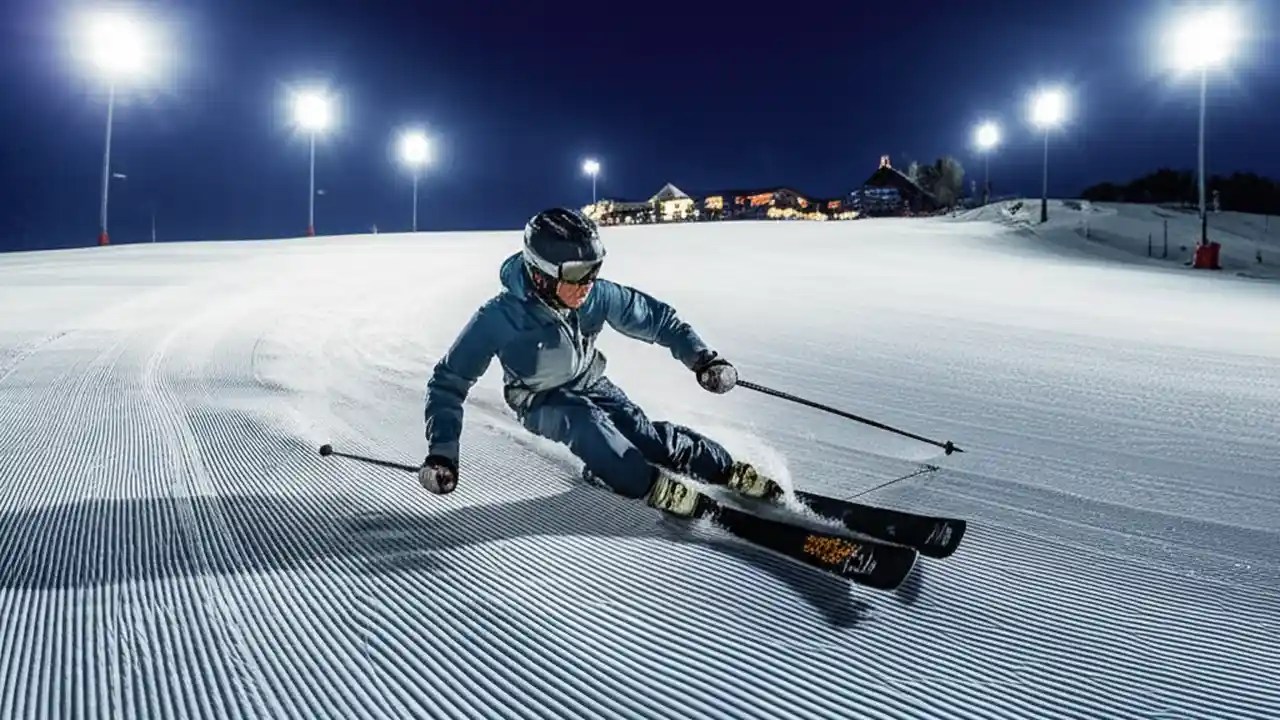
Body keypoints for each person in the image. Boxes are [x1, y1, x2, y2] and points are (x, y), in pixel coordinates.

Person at [419, 207, 780, 517]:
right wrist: (442, 454)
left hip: (592, 381)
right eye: (577, 273)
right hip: (540, 399)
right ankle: (646, 484)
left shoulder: (593, 295)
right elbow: (448, 383)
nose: (588, 283)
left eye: (594, 268)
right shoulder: (498, 318)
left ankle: (725, 469)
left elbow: (657, 320)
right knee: (586, 423)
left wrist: (703, 359)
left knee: (647, 438)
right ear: (542, 274)